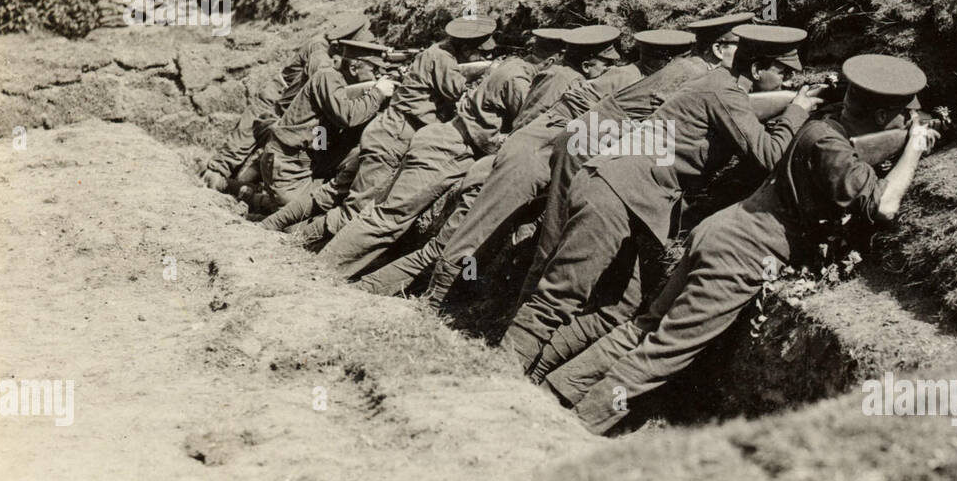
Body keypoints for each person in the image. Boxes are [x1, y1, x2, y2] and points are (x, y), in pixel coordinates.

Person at [540, 53, 939, 434]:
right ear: (886, 115)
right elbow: (884, 206)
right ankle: (579, 425)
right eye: (905, 115)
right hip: (742, 253)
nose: (908, 122)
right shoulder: (830, 145)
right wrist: (915, 148)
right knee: (665, 351)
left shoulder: (827, 124)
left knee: (645, 327)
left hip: (721, 232)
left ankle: (554, 392)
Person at [501, 24, 822, 376]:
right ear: (758, 70)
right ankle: (499, 375)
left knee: (620, 308)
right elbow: (769, 154)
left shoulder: (723, 88)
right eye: (784, 73)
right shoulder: (723, 91)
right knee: (560, 296)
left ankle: (535, 375)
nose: (789, 80)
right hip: (615, 193)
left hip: (632, 198)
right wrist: (798, 110)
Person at [358, 28, 696, 298]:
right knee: (468, 238)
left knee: (475, 240)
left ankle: (441, 295)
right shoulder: (624, 80)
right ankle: (419, 298)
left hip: (538, 155)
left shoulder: (618, 75)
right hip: (529, 157)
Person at [322, 26, 623, 282]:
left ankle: (330, 268)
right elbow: (525, 125)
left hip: (448, 143)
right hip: (449, 148)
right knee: (390, 217)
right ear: (555, 58)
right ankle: (322, 271)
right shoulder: (527, 79)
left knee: (389, 216)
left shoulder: (518, 68)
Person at [521, 10, 754, 302]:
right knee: (556, 237)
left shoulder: (695, 70)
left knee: (566, 235)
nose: (750, 55)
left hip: (595, 139)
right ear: (719, 49)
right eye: (742, 47)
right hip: (589, 142)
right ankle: (527, 307)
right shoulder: (694, 73)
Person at [260, 18, 501, 237]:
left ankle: (269, 223)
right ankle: (295, 241)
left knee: (332, 191)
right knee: (354, 210)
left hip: (379, 136)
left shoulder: (435, 54)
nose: (487, 59)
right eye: (481, 54)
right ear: (468, 49)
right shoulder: (441, 59)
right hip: (380, 143)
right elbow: (463, 95)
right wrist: (489, 76)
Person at [200, 10, 369, 192]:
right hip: (275, 99)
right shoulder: (319, 49)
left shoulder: (328, 49)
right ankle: (213, 177)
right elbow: (327, 84)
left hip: (290, 110)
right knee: (241, 143)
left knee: (276, 150)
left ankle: (241, 186)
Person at [255, 39, 395, 209]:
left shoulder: (341, 84)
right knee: (294, 222)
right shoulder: (328, 77)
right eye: (374, 70)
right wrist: (378, 93)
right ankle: (249, 196)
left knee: (358, 150)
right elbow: (347, 116)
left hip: (310, 160)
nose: (377, 76)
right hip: (287, 167)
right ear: (353, 68)